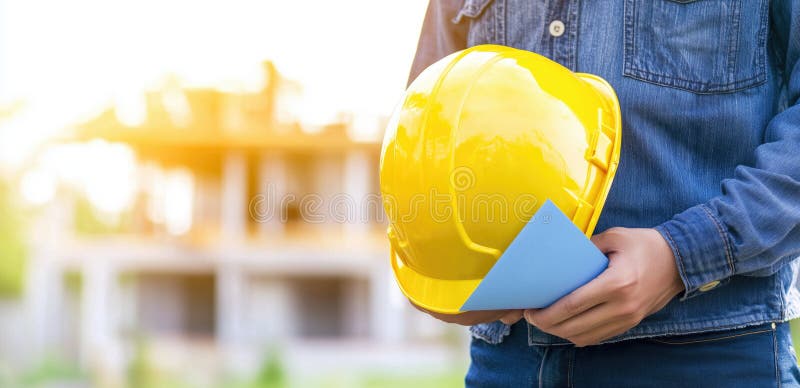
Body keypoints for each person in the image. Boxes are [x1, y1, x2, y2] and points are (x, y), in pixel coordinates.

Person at [407, 1, 800, 386]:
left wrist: (683, 254)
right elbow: (427, 117)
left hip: (711, 352)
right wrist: (434, 258)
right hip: (508, 358)